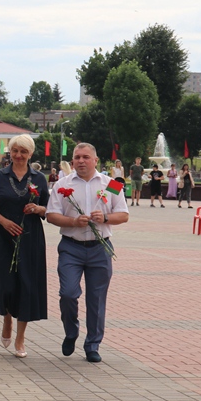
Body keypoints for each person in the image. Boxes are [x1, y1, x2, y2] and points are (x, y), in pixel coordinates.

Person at [46, 143, 129, 363]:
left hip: (100, 247)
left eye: (85, 157)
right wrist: (73, 221)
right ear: (72, 161)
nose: (81, 161)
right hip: (71, 247)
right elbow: (51, 215)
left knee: (96, 298)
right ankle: (71, 331)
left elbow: (123, 214)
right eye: (77, 157)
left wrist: (106, 218)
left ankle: (93, 344)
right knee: (68, 294)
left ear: (95, 160)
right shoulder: (62, 185)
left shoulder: (109, 185)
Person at [0, 133, 49, 358]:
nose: (19, 155)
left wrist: (38, 209)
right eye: (15, 151)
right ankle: (6, 318)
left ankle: (21, 338)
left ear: (31, 154)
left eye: (24, 151)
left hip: (30, 238)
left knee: (27, 286)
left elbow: (49, 208)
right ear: (9, 153)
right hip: (3, 238)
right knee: (7, 285)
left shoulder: (39, 178)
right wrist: (2, 221)